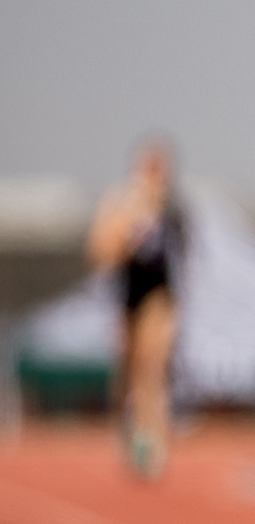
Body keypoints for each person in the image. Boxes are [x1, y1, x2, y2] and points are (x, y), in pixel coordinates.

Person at [87, 138, 186, 480]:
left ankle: (152, 439)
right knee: (128, 370)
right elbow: (101, 253)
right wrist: (129, 223)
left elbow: (184, 259)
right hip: (127, 292)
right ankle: (128, 432)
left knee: (152, 366)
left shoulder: (172, 206)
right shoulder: (120, 201)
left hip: (159, 295)